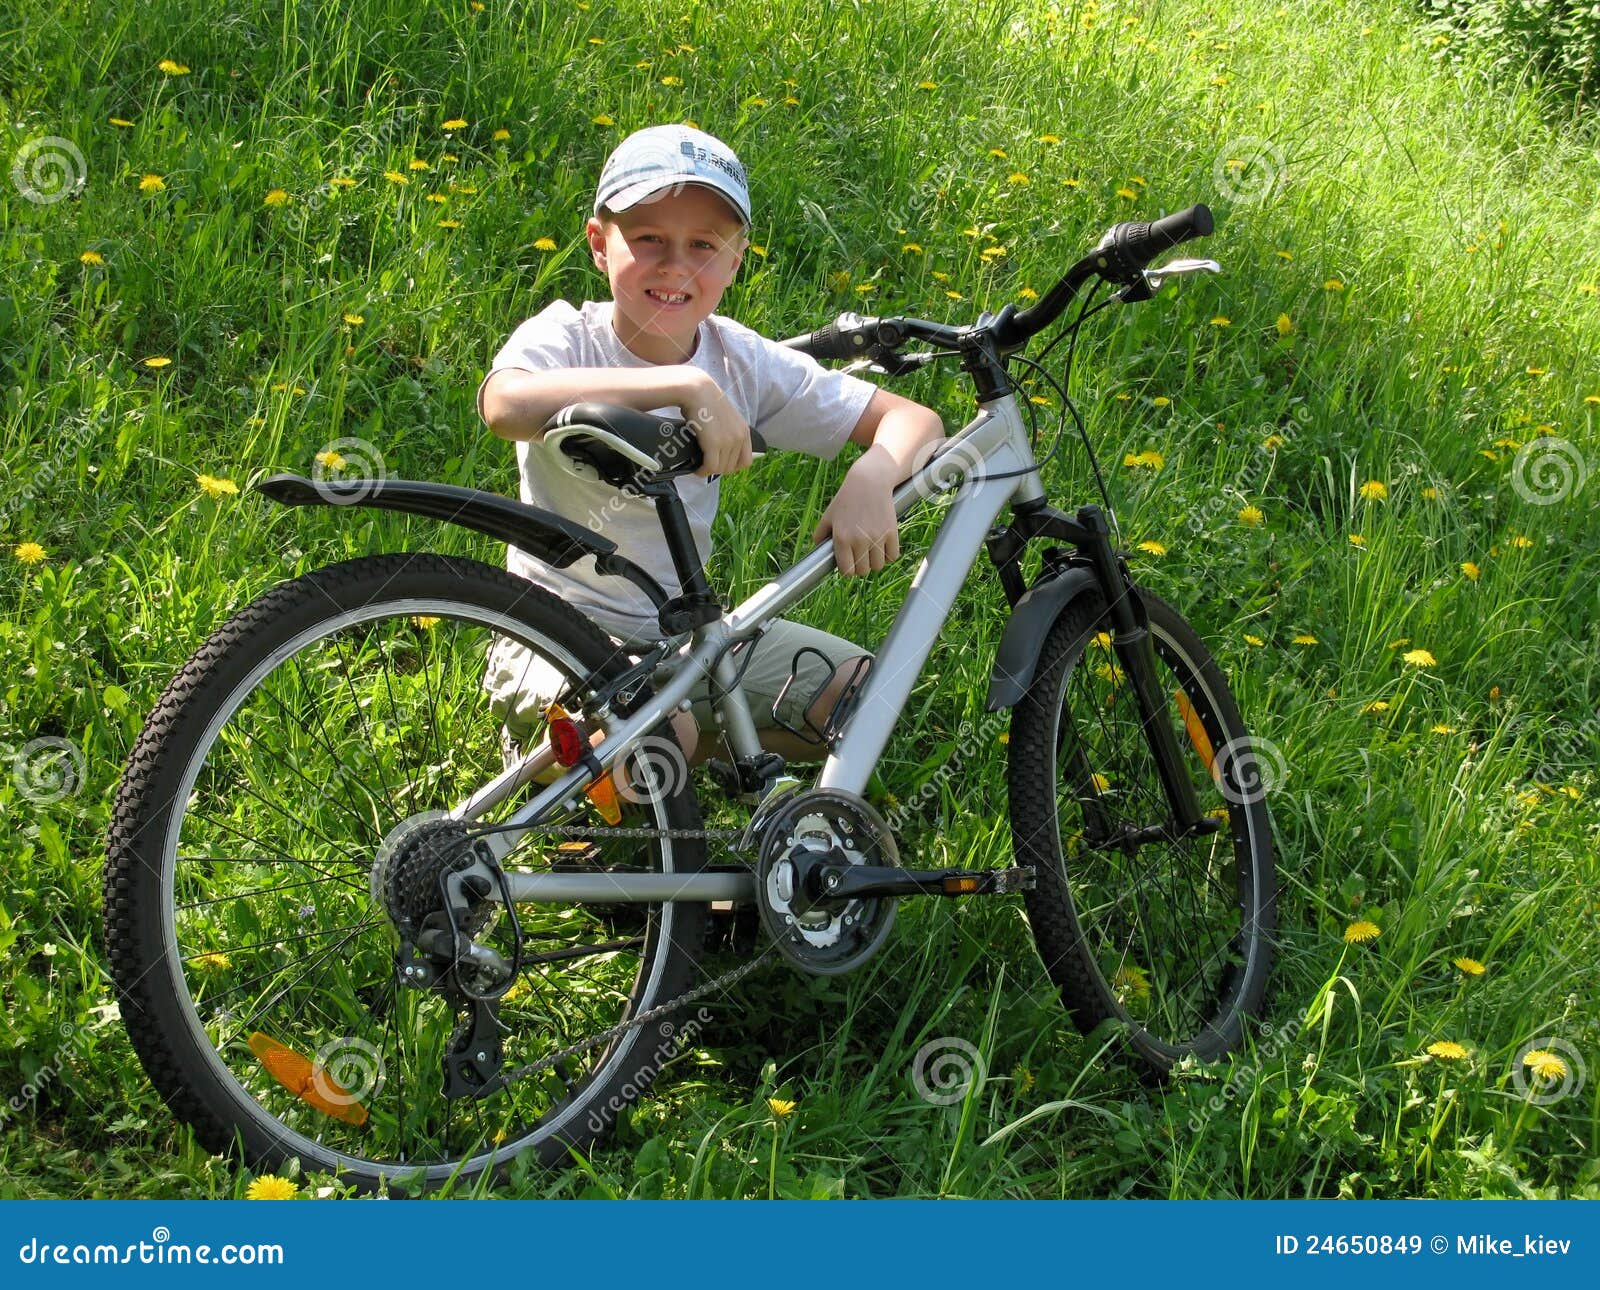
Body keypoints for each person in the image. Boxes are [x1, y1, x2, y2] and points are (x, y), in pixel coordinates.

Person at [478, 124, 945, 782]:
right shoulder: (564, 335)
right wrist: (680, 386)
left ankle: (669, 769)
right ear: (597, 245)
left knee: (862, 696)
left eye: (703, 245)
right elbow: (504, 405)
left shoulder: (740, 359)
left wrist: (873, 473)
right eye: (648, 240)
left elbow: (912, 420)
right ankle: (581, 774)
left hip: (684, 640)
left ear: (735, 261)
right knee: (655, 726)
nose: (675, 266)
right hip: (553, 634)